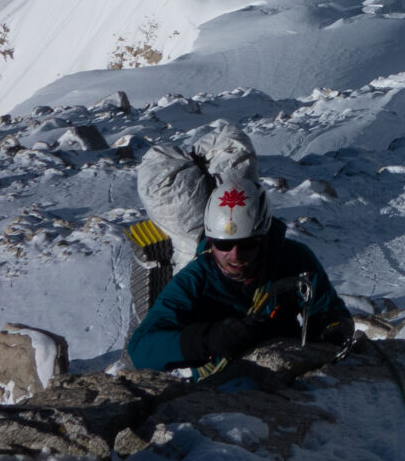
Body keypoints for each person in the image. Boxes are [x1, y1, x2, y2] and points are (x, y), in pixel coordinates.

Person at [126, 121, 353, 373]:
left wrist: (333, 328)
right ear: (210, 242)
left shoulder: (293, 259)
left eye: (247, 244)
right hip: (219, 386)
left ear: (263, 238)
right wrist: (209, 339)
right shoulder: (195, 279)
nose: (235, 255)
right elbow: (142, 349)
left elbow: (329, 310)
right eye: (224, 245)